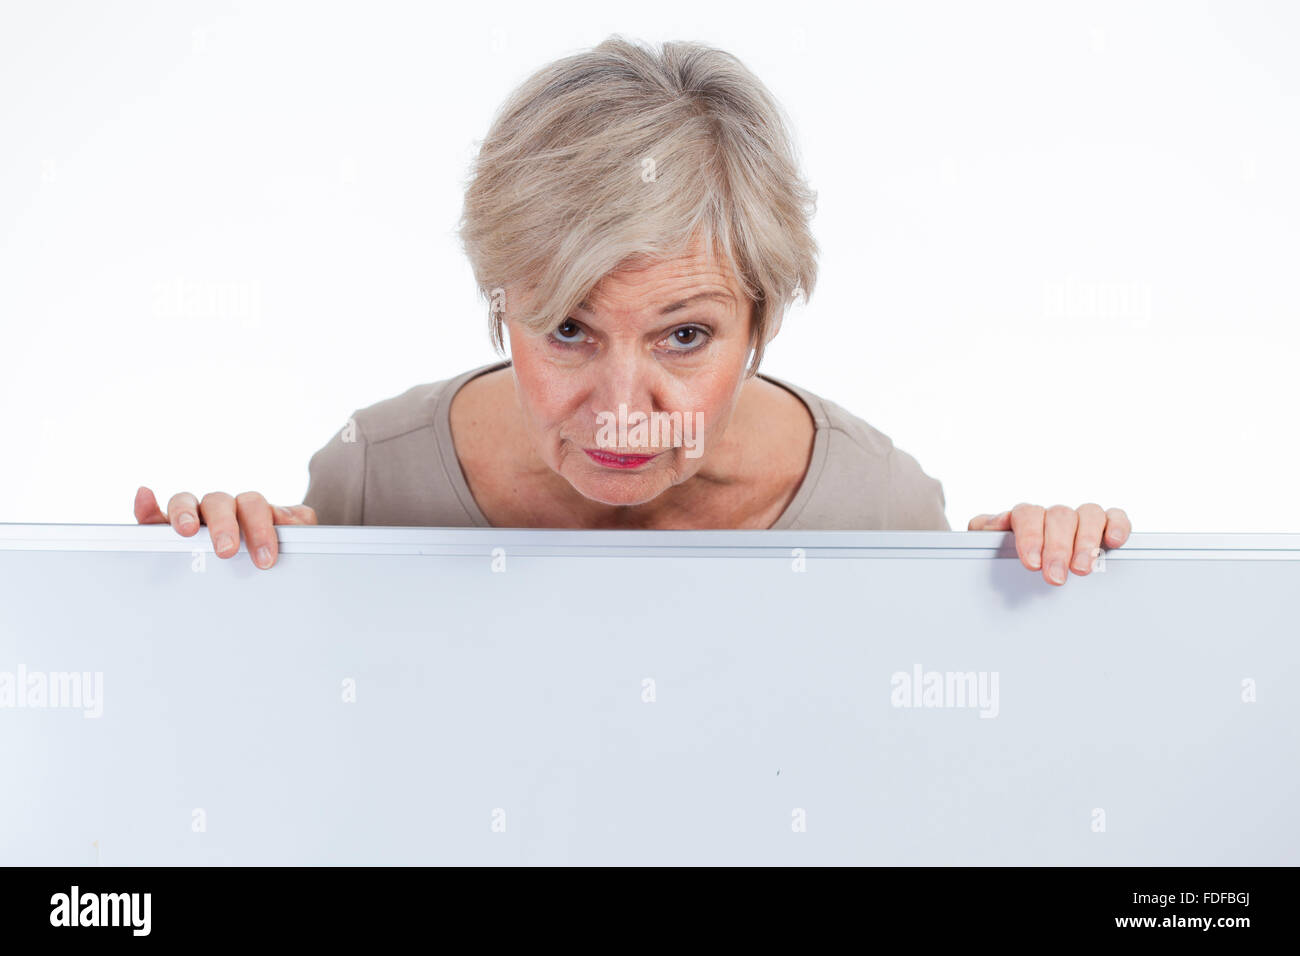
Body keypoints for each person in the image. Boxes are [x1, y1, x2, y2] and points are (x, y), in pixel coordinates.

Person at [136, 35, 1130, 586]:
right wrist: (211, 579)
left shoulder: (880, 508)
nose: (623, 405)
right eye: (568, 327)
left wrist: (1050, 585)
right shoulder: (370, 475)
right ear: (501, 306)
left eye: (684, 335)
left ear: (760, 325)